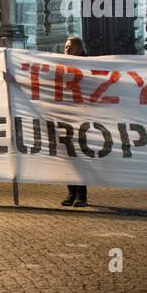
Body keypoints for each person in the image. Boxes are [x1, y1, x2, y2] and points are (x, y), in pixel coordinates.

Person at [61, 35, 89, 208]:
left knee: (79, 157)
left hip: (81, 117)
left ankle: (82, 196)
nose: (67, 49)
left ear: (80, 48)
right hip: (65, 115)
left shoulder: (89, 65)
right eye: (66, 46)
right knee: (68, 158)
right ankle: (71, 192)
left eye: (70, 46)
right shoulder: (61, 65)